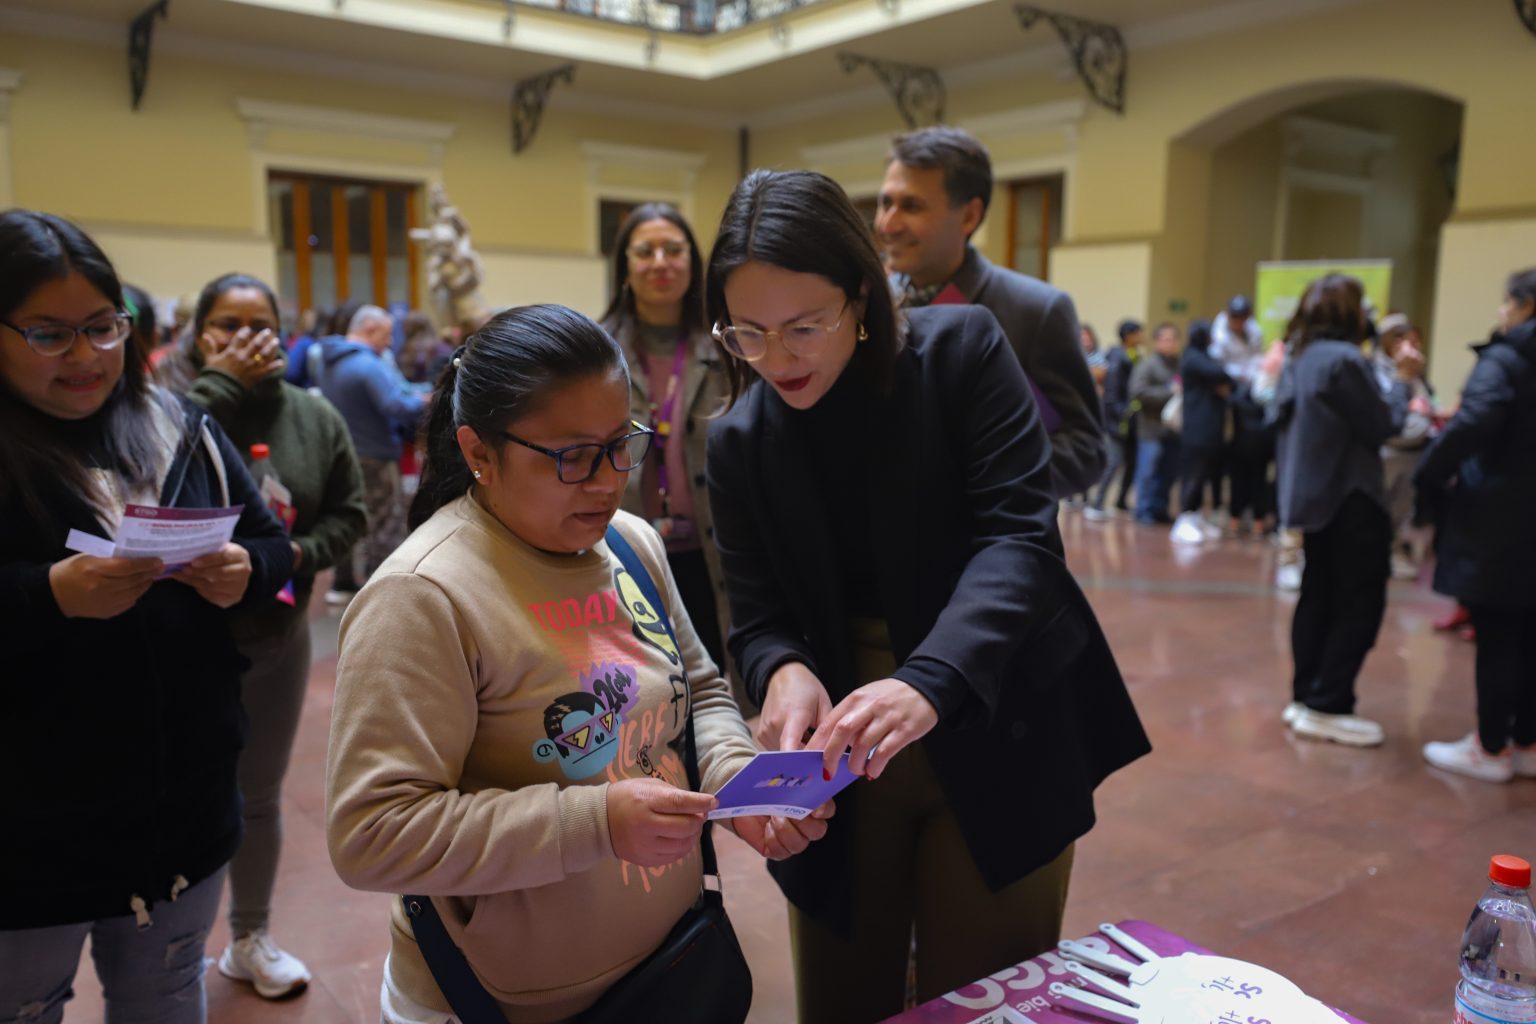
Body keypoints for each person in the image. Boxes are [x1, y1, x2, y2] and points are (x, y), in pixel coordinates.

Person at [704, 169, 1149, 1024]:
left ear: (862, 296)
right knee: (844, 985)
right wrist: (783, 669)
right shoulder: (742, 442)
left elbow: (1019, 538)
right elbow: (756, 616)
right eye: (747, 334)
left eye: (804, 327)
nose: (777, 359)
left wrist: (927, 681)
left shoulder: (962, 354)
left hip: (991, 693)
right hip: (842, 739)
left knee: (986, 988)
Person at [325, 304, 829, 1024]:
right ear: (480, 451)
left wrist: (737, 782)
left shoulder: (630, 544)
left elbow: (705, 692)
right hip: (497, 1000)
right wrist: (594, 822)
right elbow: (371, 833)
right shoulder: (422, 596)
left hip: (668, 962)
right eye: (571, 457)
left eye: (620, 444)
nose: (606, 481)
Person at [0, 210, 292, 1023]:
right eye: (49, 334)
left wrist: (246, 571)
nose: (88, 356)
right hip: (31, 825)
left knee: (165, 990)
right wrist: (46, 593)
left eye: (102, 327)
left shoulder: (177, 424)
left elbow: (273, 545)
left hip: (181, 801)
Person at [157, 272, 367, 996]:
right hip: (178, 642)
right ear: (196, 334)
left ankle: (250, 936)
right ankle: (163, 950)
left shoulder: (313, 416)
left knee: (261, 794)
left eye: (261, 325)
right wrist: (215, 388)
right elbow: (151, 477)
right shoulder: (164, 410)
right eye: (226, 325)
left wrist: (294, 554)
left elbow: (351, 513)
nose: (246, 339)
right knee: (174, 788)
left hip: (277, 632)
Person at [875, 126, 1105, 498]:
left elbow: (1085, 449)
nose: (887, 224)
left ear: (968, 217)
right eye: (885, 203)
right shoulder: (871, 302)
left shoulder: (1035, 310)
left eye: (912, 206)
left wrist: (978, 481)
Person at [1274, 274, 1410, 747]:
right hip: (1351, 497)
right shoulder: (1346, 360)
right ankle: (1330, 703)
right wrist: (1404, 382)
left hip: (1313, 497)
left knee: (1318, 595)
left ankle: (1306, 696)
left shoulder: (1299, 357)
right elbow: (1384, 424)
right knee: (1359, 602)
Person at [600, 203, 733, 679]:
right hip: (621, 551)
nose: (661, 262)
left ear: (694, 264)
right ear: (625, 268)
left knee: (715, 681)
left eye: (674, 250)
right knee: (643, 683)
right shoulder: (595, 351)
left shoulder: (728, 344)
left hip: (713, 551)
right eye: (646, 251)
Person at [1417, 268, 1536, 782]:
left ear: (1524, 305)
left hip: (1502, 518)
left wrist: (1430, 473)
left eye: (1506, 303)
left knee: (1498, 631)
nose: (1502, 312)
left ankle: (1489, 748)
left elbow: (1475, 420)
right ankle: (1527, 742)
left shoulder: (1506, 360)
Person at [315, 304, 426, 600]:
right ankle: (382, 590)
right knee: (385, 522)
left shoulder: (327, 360)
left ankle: (342, 582)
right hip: (375, 454)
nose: (390, 342)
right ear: (369, 329)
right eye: (387, 335)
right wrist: (428, 399)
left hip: (341, 453)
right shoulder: (369, 365)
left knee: (346, 517)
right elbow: (396, 406)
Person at [1368, 314, 1435, 579]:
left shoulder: (1416, 373)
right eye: (1403, 341)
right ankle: (1372, 554)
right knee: (1378, 506)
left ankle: (1393, 550)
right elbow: (1385, 414)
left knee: (1401, 509)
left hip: (1414, 451)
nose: (1410, 348)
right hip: (1387, 450)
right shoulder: (1375, 370)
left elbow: (1427, 401)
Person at [1172, 320, 1233, 544]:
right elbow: (1222, 374)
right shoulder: (1193, 358)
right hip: (1196, 428)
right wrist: (1220, 380)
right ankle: (1184, 519)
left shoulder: (1202, 356)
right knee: (1194, 473)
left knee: (1205, 473)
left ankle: (1195, 517)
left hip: (1209, 428)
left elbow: (1225, 378)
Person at [1085, 319, 1143, 521]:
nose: (1142, 337)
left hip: (1130, 419)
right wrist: (1122, 412)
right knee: (1114, 461)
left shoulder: (1134, 356)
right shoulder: (1118, 357)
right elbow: (1112, 391)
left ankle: (1121, 501)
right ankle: (1097, 503)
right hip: (1117, 420)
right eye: (1138, 333)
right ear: (1129, 335)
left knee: (1131, 462)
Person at [1128, 323, 1182, 525]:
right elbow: (1138, 392)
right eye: (1166, 339)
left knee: (1168, 473)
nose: (1170, 343)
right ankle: (1142, 510)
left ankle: (1160, 509)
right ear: (1157, 341)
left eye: (1173, 339)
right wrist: (1169, 393)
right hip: (1151, 430)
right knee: (1148, 472)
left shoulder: (1179, 364)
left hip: (1173, 430)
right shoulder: (1148, 365)